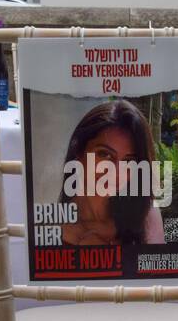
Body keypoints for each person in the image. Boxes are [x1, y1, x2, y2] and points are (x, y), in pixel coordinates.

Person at [58, 100, 165, 246]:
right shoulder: (53, 229)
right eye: (105, 154)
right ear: (79, 152)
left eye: (128, 162)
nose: (115, 172)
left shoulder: (147, 217)